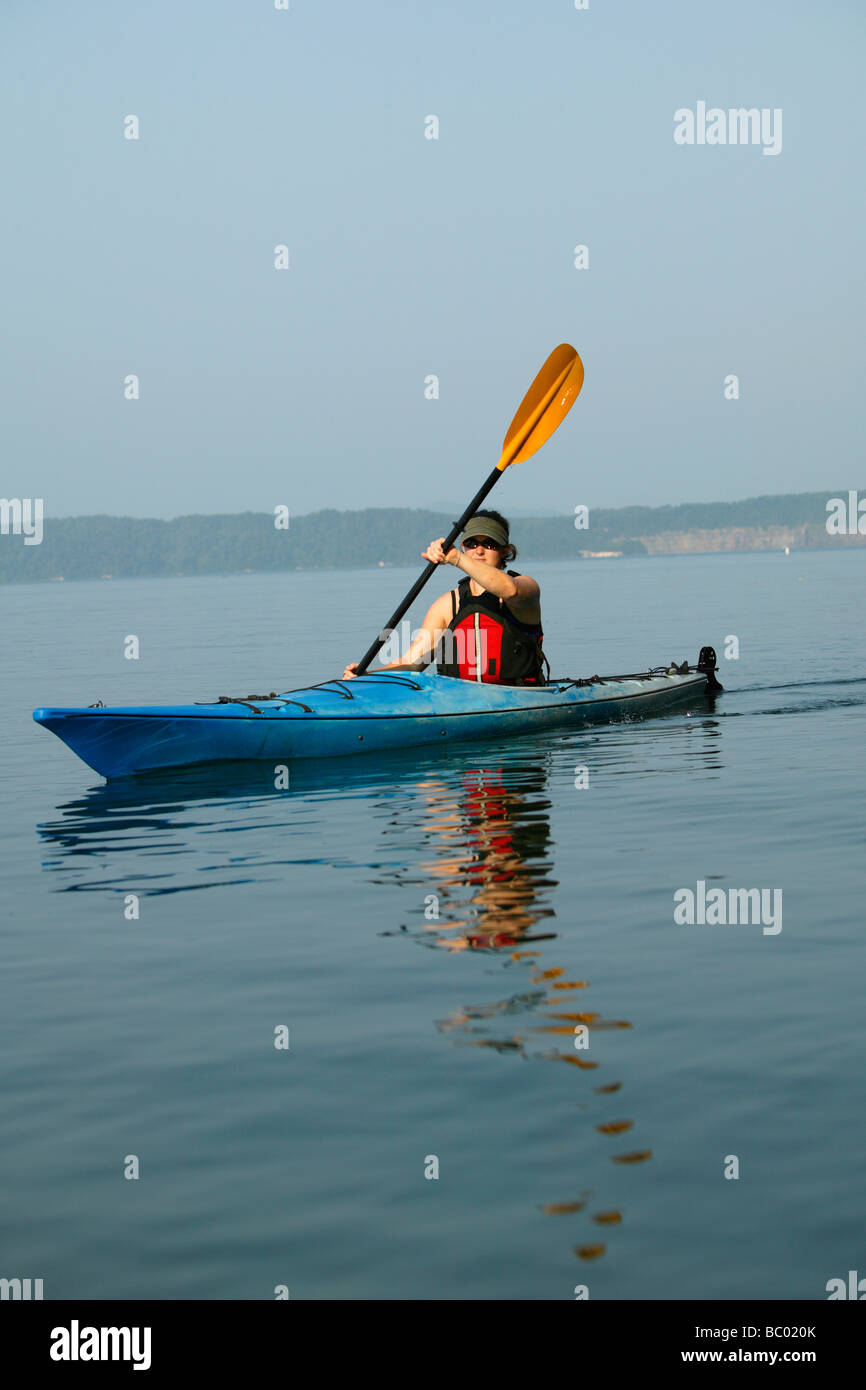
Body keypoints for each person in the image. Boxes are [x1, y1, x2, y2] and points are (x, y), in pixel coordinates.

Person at [342, 510, 548, 685]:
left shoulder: (526, 588)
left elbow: (509, 590)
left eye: (490, 544)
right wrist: (367, 676)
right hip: (459, 702)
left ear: (505, 551)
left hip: (521, 697)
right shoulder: (447, 605)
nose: (479, 551)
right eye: (471, 543)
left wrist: (456, 558)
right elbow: (413, 662)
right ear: (464, 547)